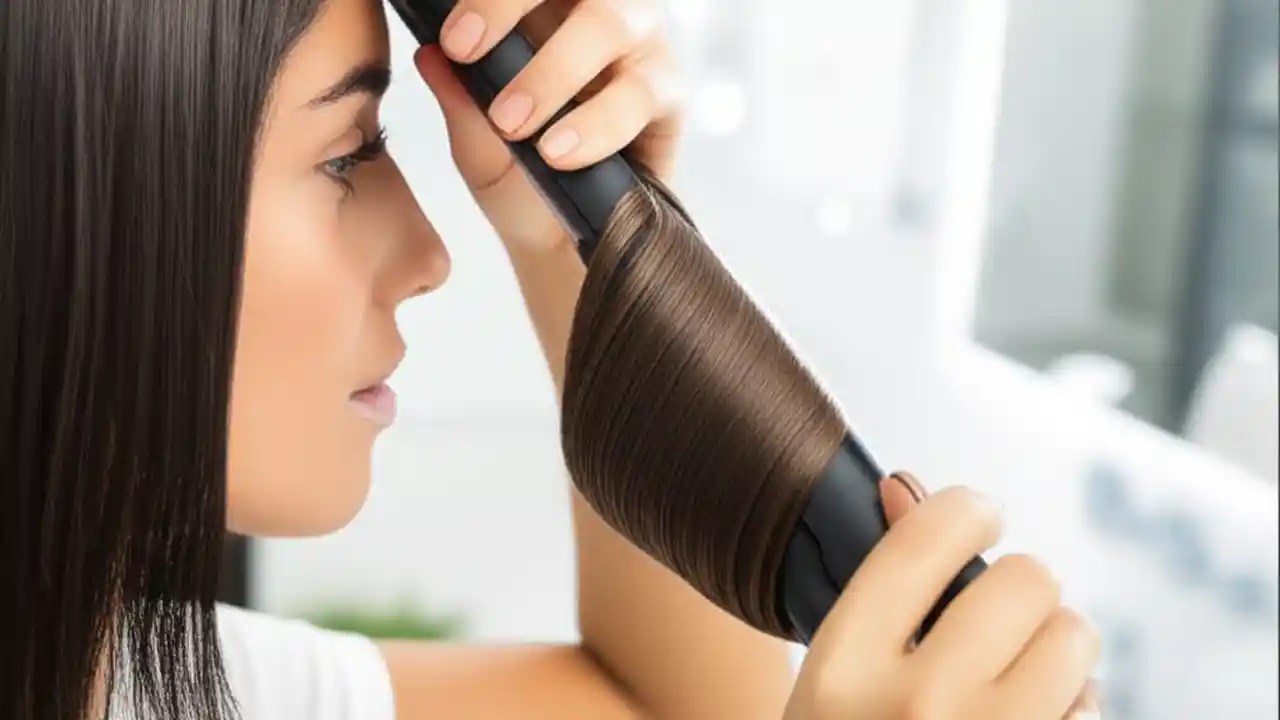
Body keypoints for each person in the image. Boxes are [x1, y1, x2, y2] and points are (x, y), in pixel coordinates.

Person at [0, 0, 1101, 717]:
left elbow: (662, 707)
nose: (429, 256)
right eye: (348, 155)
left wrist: (582, 232)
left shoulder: (166, 685)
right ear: (66, 201)